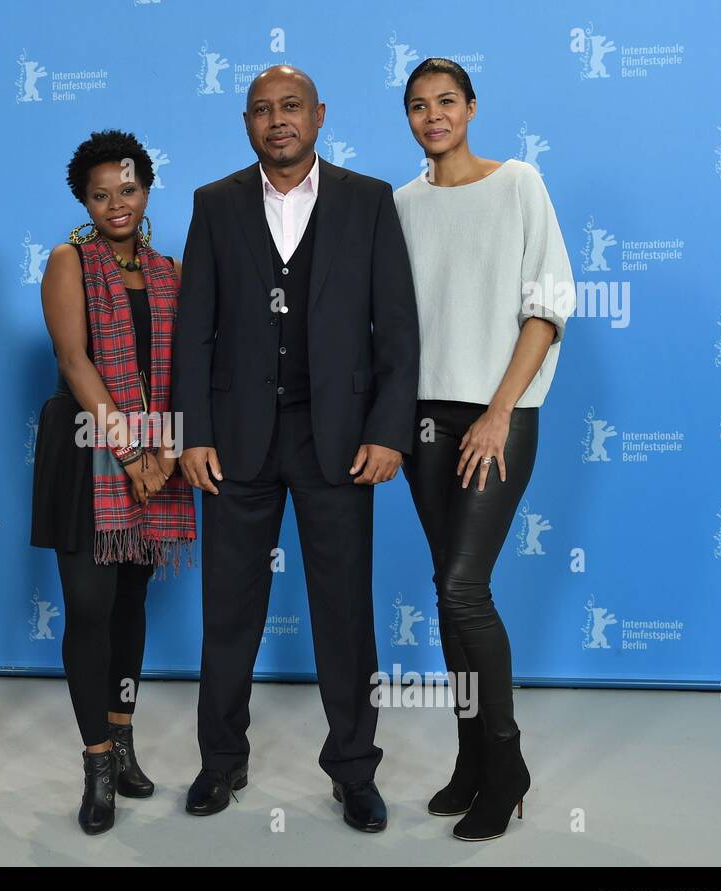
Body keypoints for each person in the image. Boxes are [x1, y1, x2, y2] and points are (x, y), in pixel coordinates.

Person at [173, 66, 420, 830]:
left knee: (344, 615)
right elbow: (194, 331)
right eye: (262, 111)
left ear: (318, 115)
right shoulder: (215, 204)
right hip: (236, 442)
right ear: (246, 123)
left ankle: (353, 769)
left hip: (339, 443)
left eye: (291, 108)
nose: (277, 121)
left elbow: (399, 329)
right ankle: (220, 762)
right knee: (228, 613)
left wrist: (387, 431)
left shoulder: (368, 200)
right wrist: (194, 434)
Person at [394, 58, 575, 841]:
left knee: (466, 588)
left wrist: (500, 411)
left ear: (471, 107)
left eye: (445, 102)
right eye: (417, 106)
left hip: (498, 412)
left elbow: (548, 301)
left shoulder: (518, 184)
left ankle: (507, 768)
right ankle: (470, 760)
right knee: (445, 590)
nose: (433, 116)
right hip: (426, 417)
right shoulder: (399, 204)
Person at [32, 129, 196, 835]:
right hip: (88, 452)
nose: (115, 203)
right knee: (91, 609)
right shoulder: (70, 261)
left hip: (157, 452)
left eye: (126, 189)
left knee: (131, 606)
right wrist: (132, 456)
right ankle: (96, 761)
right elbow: (74, 362)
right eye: (100, 194)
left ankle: (123, 738)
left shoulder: (171, 271)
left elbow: (181, 371)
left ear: (147, 188)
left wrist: (164, 453)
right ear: (84, 201)